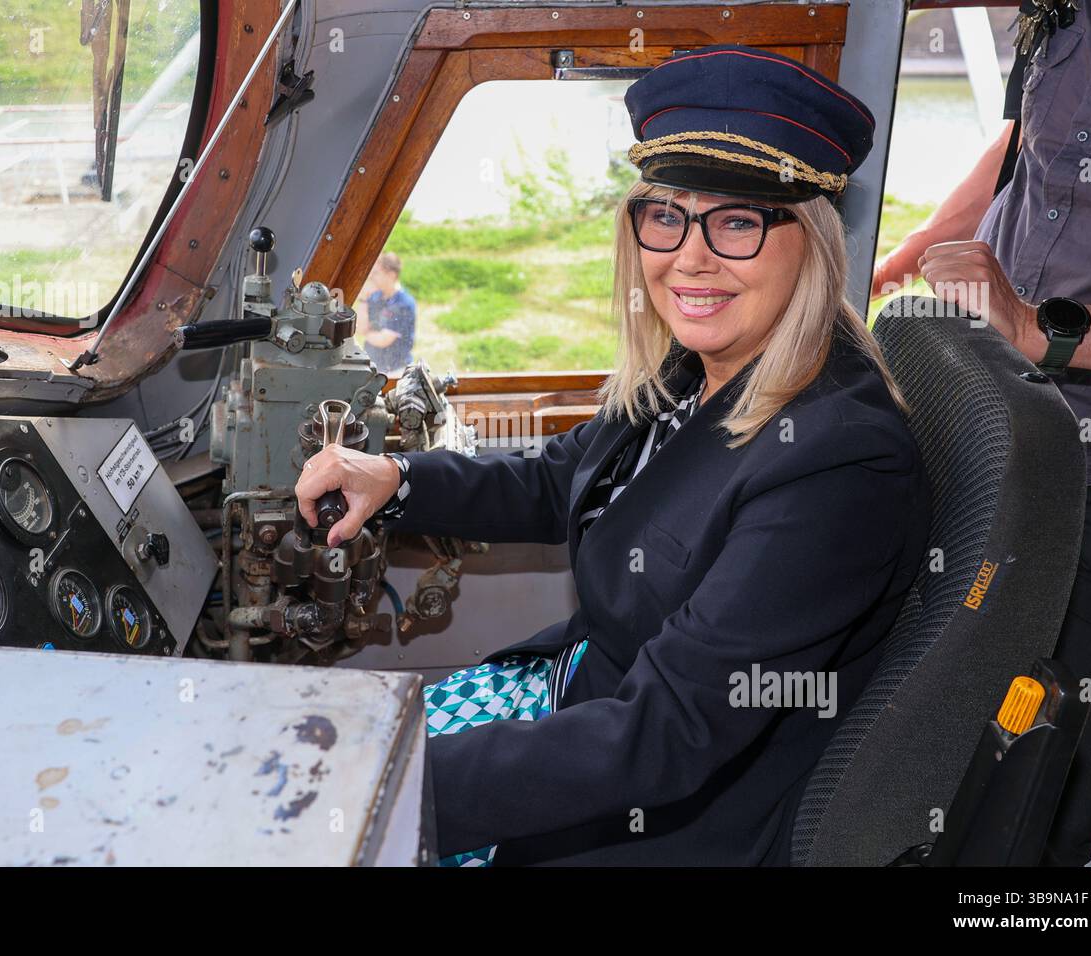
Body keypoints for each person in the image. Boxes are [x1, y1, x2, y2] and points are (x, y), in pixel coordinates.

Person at [296, 44, 931, 866]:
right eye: (667, 215)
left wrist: (382, 792)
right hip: (573, 700)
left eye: (737, 220)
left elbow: (663, 735)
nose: (689, 256)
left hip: (652, 817)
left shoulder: (837, 466)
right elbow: (562, 477)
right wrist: (397, 478)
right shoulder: (701, 366)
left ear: (809, 241)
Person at [873, 0, 1091, 867]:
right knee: (931, 753)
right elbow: (1026, 148)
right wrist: (902, 254)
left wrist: (1043, 329)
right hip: (989, 430)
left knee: (1038, 793)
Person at [357, 252, 416, 375]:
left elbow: (383, 340)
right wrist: (363, 298)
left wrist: (367, 333)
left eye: (376, 273)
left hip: (396, 371)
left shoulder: (403, 303)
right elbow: (360, 328)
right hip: (373, 367)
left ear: (391, 275)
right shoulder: (375, 297)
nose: (372, 277)